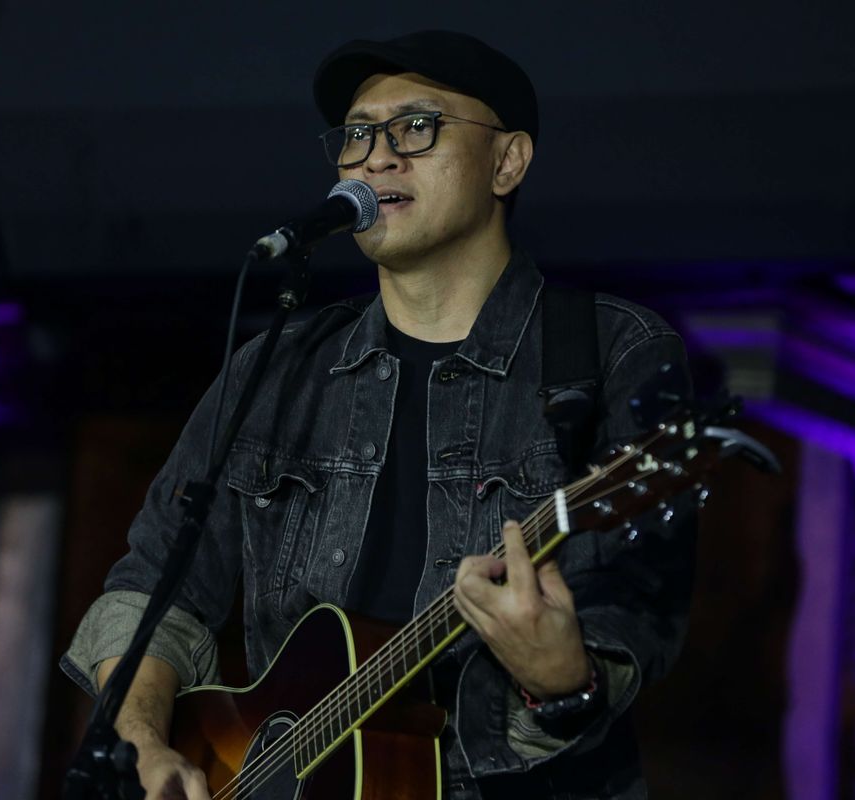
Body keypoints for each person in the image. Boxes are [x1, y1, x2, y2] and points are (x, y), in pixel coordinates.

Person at [62, 30, 697, 800]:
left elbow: (635, 617)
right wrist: (141, 742)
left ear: (508, 161)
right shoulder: (277, 367)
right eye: (358, 135)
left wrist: (559, 678)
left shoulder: (611, 352)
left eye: (417, 127)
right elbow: (153, 585)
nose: (377, 157)